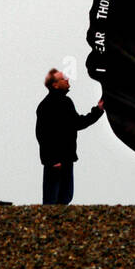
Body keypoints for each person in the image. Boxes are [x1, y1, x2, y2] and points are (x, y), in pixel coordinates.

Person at [35, 69, 103, 204]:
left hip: (66, 159)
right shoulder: (47, 105)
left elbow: (77, 123)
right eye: (63, 79)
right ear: (55, 84)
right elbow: (42, 134)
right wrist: (52, 160)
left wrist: (98, 110)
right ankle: (49, 224)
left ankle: (57, 224)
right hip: (56, 161)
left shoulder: (65, 102)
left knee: (65, 197)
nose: (67, 80)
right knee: (52, 200)